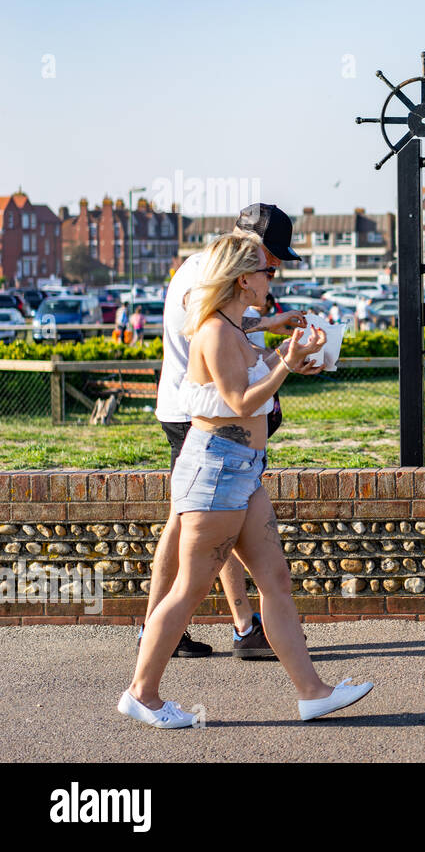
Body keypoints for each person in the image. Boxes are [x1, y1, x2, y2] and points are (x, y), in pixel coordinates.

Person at [119, 232, 373, 728]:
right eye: (267, 271)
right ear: (242, 278)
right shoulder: (215, 331)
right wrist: (286, 359)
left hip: (242, 469)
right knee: (190, 590)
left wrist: (293, 352)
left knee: (276, 581)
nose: (272, 278)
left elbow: (256, 362)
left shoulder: (238, 325)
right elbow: (241, 401)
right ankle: (141, 694)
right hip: (215, 470)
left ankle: (313, 692)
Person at [149, 203, 310, 660]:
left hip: (220, 421)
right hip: (201, 419)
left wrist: (277, 340)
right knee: (190, 529)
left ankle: (238, 627)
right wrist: (283, 360)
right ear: (245, 247)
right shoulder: (203, 273)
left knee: (212, 524)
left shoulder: (224, 279)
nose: (274, 267)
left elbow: (232, 331)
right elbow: (210, 329)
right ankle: (161, 637)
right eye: (268, 257)